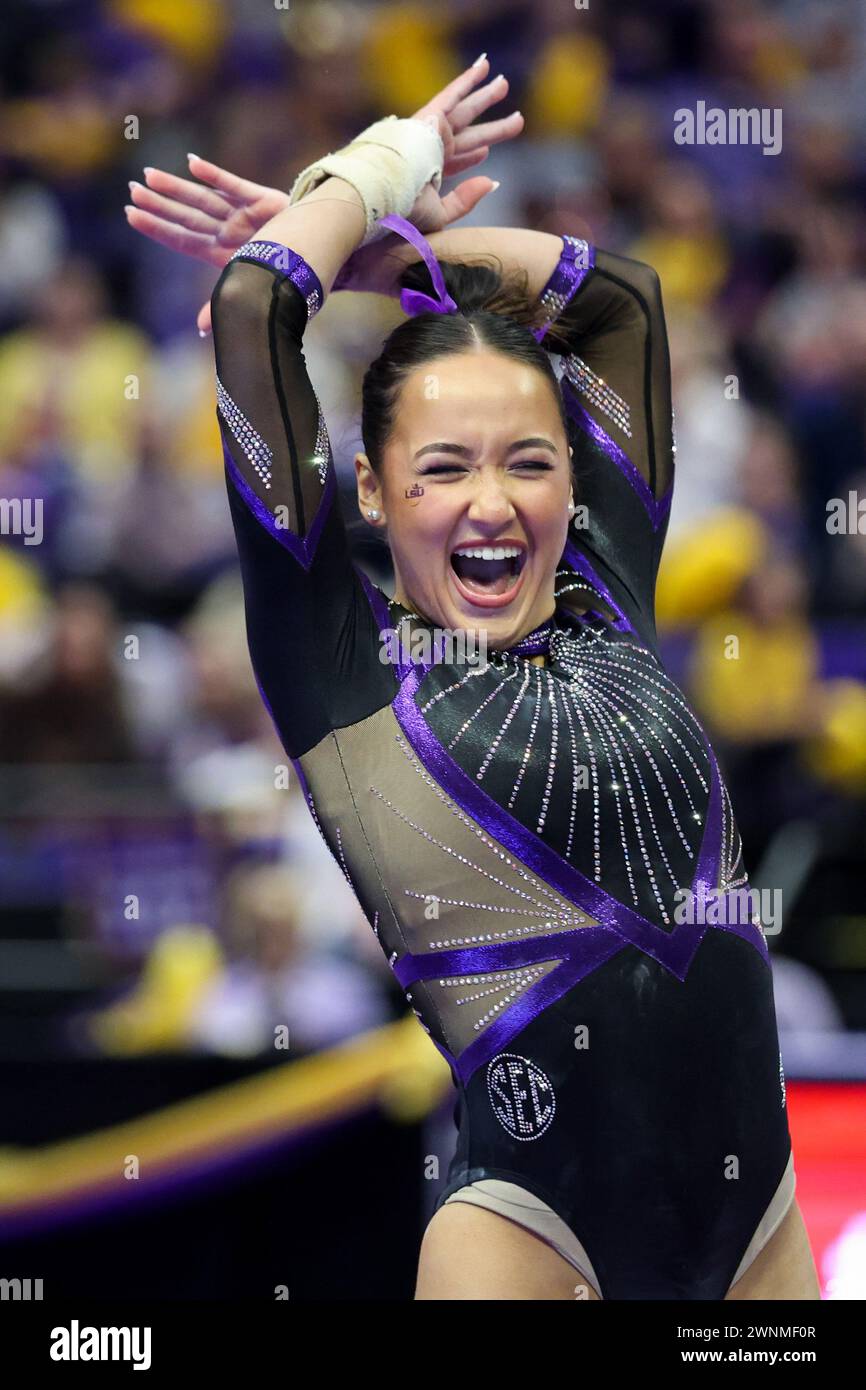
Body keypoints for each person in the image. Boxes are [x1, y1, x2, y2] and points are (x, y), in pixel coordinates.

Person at [126, 60, 820, 1300]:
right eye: (442, 467)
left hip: (759, 1227)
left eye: (529, 462)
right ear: (377, 494)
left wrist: (379, 261)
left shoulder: (602, 589)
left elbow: (619, 303)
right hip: (530, 1238)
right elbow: (249, 305)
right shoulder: (335, 661)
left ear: (573, 481)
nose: (492, 503)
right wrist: (391, 161)